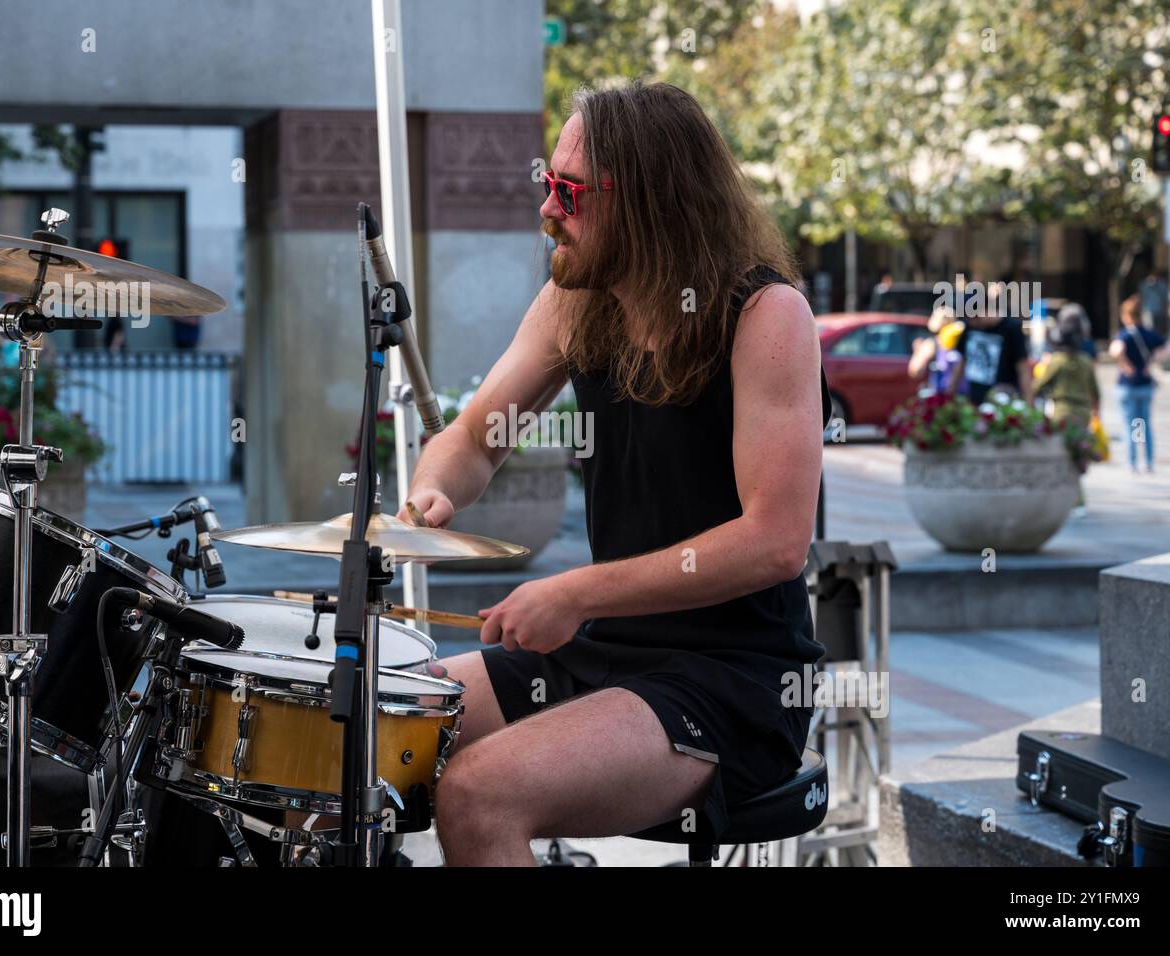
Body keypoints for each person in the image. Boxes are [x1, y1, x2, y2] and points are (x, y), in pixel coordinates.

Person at [402, 81, 829, 866]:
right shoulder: (576, 302)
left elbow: (775, 542)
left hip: (729, 679)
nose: (547, 210)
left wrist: (574, 592)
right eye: (547, 185)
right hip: (603, 651)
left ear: (648, 202)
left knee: (477, 792)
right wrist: (434, 491)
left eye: (568, 191)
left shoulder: (765, 317)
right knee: (368, 732)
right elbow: (476, 434)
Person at [1029, 309, 1099, 514]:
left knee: (1063, 455)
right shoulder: (1086, 361)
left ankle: (1072, 499)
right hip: (1083, 412)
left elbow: (1038, 385)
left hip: (1062, 411)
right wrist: (1097, 414)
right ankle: (1076, 499)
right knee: (1076, 454)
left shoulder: (1056, 362)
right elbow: (1096, 391)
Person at [1109, 294, 1170, 473]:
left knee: (1130, 424)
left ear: (1126, 315)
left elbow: (1115, 350)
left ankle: (1132, 462)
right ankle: (1148, 462)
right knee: (1143, 423)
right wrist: (1153, 360)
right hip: (1145, 385)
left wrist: (1126, 365)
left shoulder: (1124, 334)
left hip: (1127, 385)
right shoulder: (1149, 333)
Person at [946, 303, 1031, 404]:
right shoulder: (970, 327)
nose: (972, 323)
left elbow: (1023, 368)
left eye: (974, 318)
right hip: (973, 398)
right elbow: (961, 362)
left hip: (1001, 401)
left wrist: (1029, 403)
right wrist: (949, 394)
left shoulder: (1012, 328)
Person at [908, 305, 964, 393]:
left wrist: (917, 351)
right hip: (953, 397)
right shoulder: (959, 346)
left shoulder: (931, 344)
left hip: (935, 396)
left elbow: (916, 371)